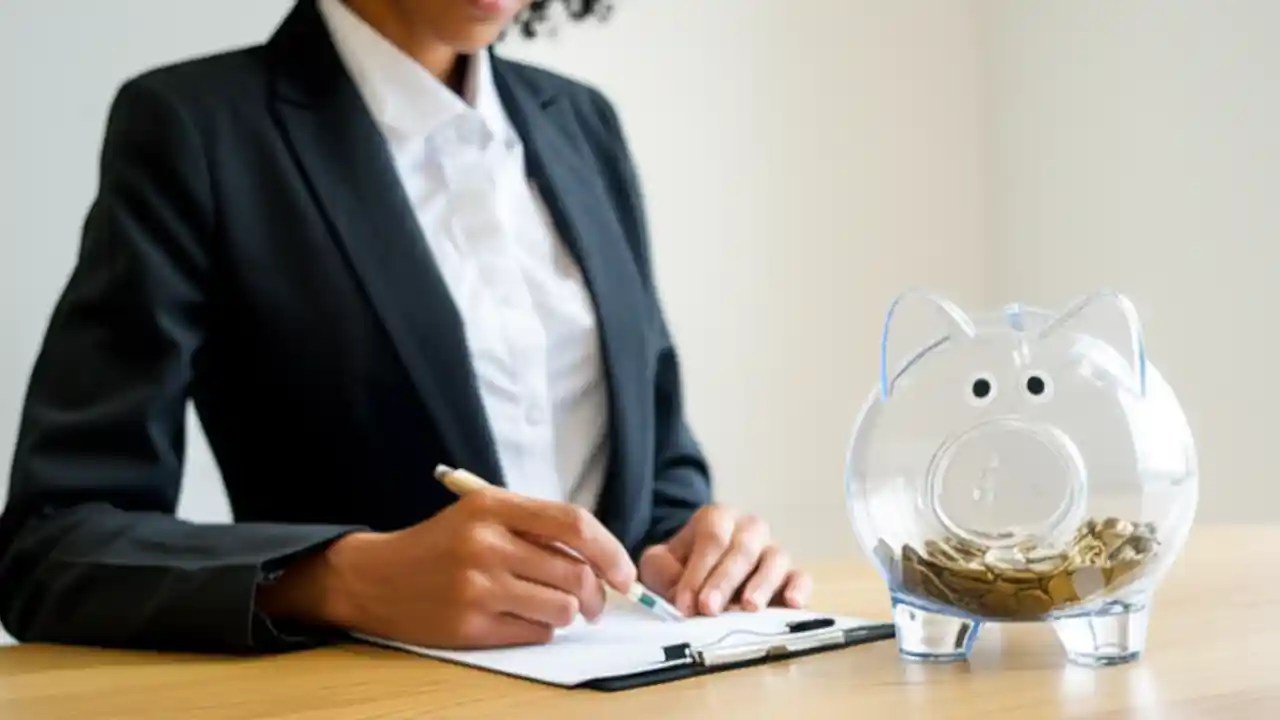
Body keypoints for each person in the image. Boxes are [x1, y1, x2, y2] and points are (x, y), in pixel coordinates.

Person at [0, 0, 810, 653]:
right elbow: (54, 546)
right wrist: (344, 579)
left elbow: (658, 468)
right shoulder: (197, 128)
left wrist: (690, 552)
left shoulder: (580, 124)